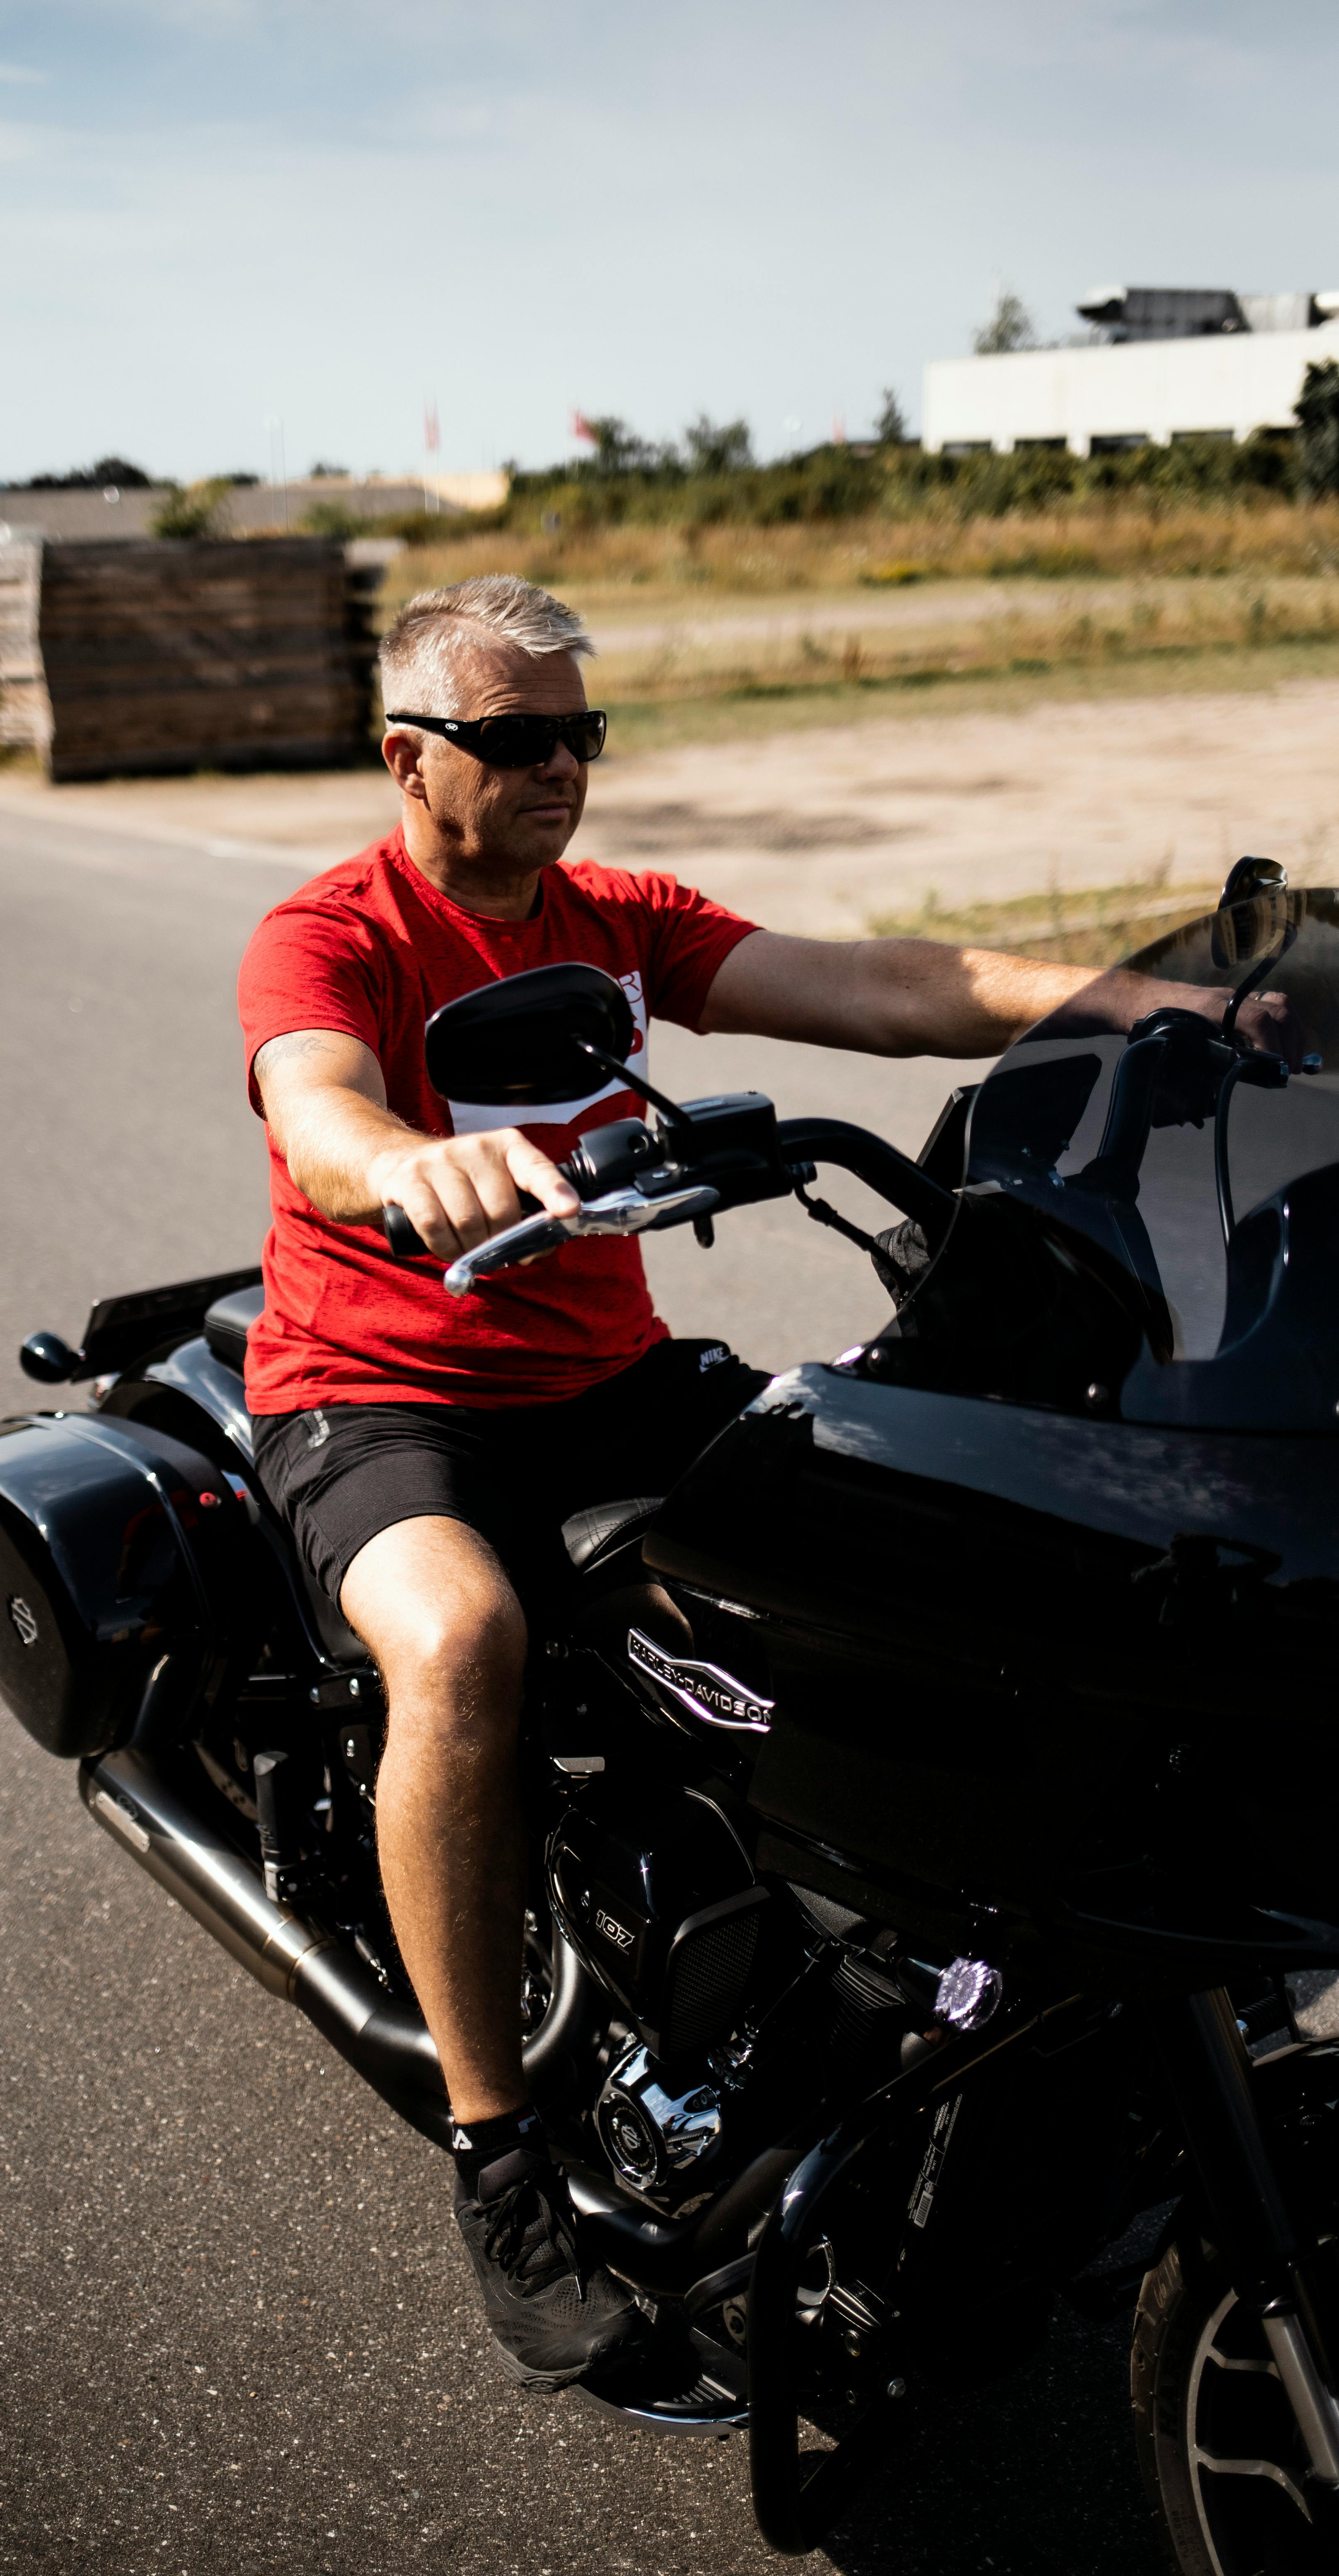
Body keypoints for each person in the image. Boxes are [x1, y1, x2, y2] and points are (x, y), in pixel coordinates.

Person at [236, 573, 1301, 2391]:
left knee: (925, 1532)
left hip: (609, 1382)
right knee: (463, 1640)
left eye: (580, 731)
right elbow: (317, 1102)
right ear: (408, 759)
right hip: (383, 1396)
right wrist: (402, 1166)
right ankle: (500, 2159)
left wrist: (1142, 1005)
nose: (561, 766)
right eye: (517, 738)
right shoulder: (331, 934)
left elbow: (888, 984)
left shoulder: (612, 919)